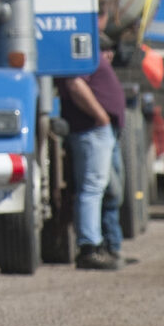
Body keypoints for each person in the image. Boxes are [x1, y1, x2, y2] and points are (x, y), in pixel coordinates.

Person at [60, 58, 129, 271]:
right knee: (92, 188)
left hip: (97, 129)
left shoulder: (85, 53)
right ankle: (90, 248)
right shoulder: (79, 53)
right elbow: (74, 84)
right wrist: (100, 116)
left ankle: (107, 246)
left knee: (105, 190)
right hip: (91, 129)